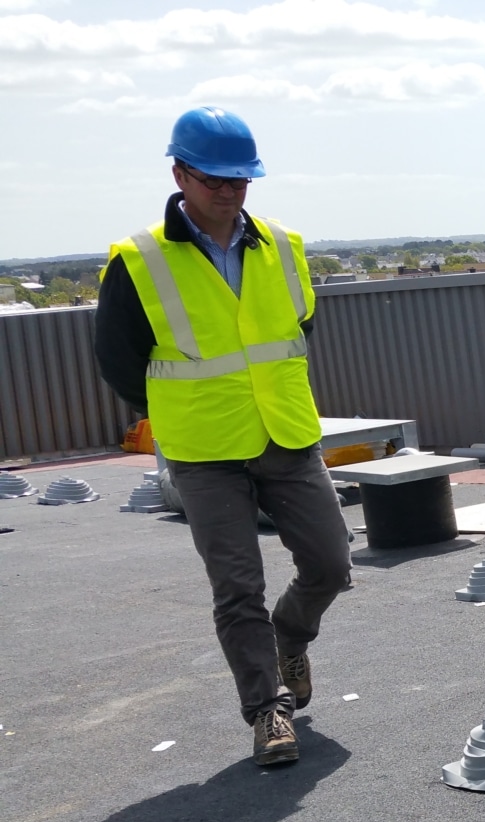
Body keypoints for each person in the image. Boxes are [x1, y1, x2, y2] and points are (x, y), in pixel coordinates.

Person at [94, 107, 349, 767]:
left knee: (331, 562)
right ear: (180, 173)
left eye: (240, 178)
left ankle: (289, 636)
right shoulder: (139, 260)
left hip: (285, 433)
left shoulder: (283, 246)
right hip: (205, 449)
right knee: (237, 584)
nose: (229, 191)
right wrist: (189, 408)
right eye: (214, 179)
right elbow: (121, 363)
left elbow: (297, 332)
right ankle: (268, 711)